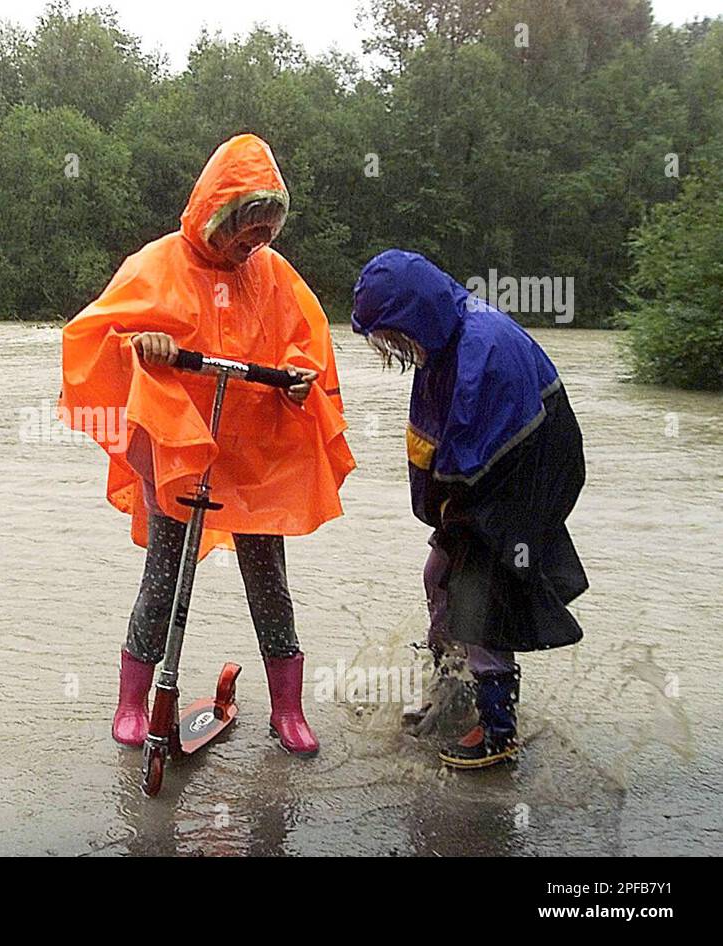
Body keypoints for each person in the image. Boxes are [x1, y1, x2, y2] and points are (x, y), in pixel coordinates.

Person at [61, 134, 355, 755]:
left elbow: (306, 336)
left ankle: (288, 709)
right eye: (245, 231)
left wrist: (300, 375)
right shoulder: (158, 263)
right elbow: (94, 336)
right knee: (165, 575)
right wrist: (145, 344)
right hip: (179, 450)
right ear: (217, 217)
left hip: (253, 455)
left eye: (265, 233)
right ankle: (133, 703)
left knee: (268, 578)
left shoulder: (272, 274)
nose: (255, 245)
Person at [351, 249, 587, 769]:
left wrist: (457, 518)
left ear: (416, 314)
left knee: (479, 596)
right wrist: (441, 516)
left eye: (392, 336)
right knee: (438, 575)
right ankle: (456, 693)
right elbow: (434, 443)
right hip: (491, 477)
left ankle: (498, 732)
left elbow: (482, 454)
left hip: (527, 474)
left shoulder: (484, 347)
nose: (391, 348)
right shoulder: (443, 344)